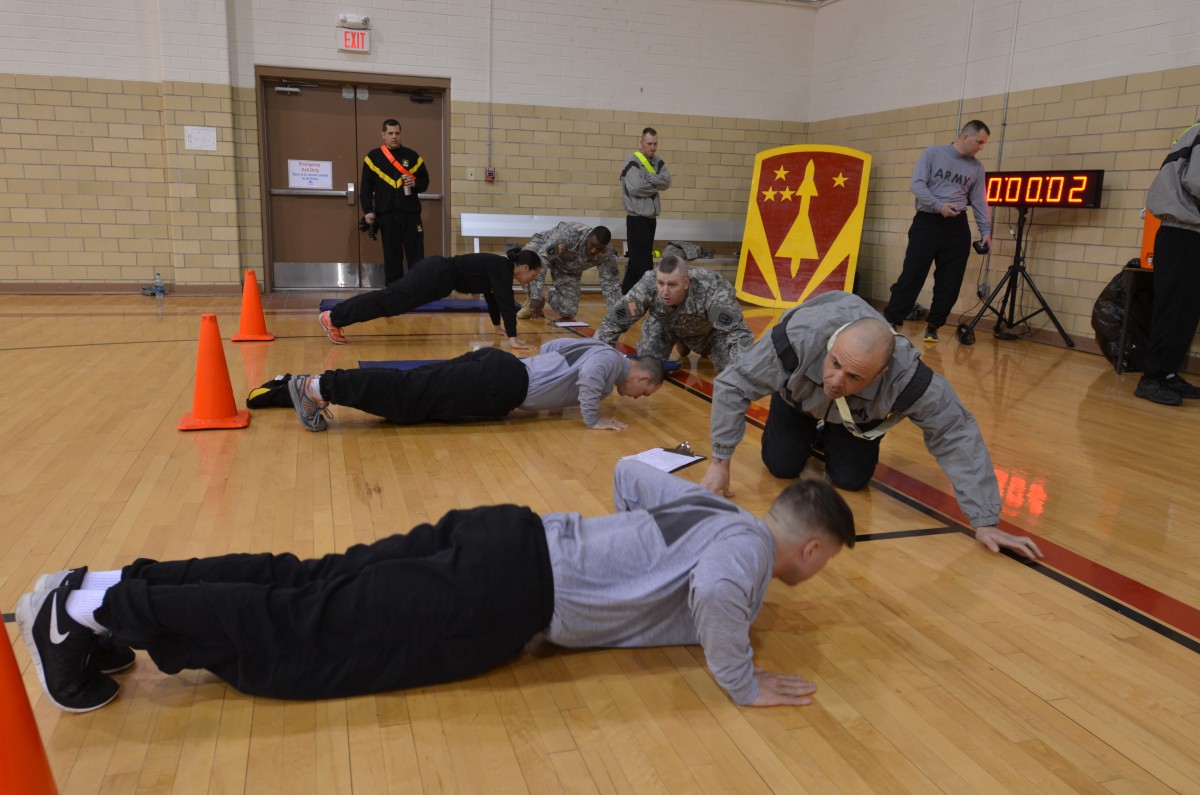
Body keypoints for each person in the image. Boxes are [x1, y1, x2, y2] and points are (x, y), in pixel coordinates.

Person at [15, 459, 855, 713]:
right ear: (812, 550)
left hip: (506, 533)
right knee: (309, 628)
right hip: (503, 590)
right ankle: (86, 608)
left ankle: (98, 592)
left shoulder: (719, 507)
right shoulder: (746, 555)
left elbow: (633, 475)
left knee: (303, 583)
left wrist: (629, 553)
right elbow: (714, 597)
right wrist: (741, 678)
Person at [700, 290, 1043, 560]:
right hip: (798, 401)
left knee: (851, 480)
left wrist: (984, 521)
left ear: (881, 374)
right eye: (834, 364)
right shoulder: (797, 339)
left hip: (857, 418)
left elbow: (956, 432)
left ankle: (832, 434)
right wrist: (720, 460)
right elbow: (733, 385)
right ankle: (806, 426)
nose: (835, 381)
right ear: (832, 346)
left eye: (854, 376)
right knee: (781, 465)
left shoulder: (909, 378)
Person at [283, 337, 664, 432]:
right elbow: (589, 377)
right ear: (642, 378)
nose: (634, 397)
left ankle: (319, 386)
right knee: (410, 397)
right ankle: (317, 387)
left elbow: (554, 348)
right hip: (500, 383)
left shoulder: (601, 347)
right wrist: (593, 420)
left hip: (501, 369)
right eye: (642, 393)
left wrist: (552, 395)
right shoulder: (612, 361)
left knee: (416, 387)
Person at [883, 120, 992, 343]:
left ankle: (934, 325)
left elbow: (980, 201)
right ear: (965, 137)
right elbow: (917, 185)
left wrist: (986, 231)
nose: (981, 147)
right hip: (928, 221)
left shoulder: (977, 168)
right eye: (979, 142)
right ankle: (892, 320)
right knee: (913, 273)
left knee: (950, 280)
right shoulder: (933, 154)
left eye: (984, 144)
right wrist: (939, 206)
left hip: (957, 226)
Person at [317, 250, 541, 347]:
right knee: (387, 300)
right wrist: (513, 338)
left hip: (436, 277)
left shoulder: (500, 269)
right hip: (436, 274)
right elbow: (506, 302)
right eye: (533, 275)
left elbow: (493, 299)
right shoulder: (502, 269)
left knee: (390, 304)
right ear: (524, 267)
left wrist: (496, 327)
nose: (531, 280)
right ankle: (334, 317)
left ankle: (336, 317)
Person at [1134, 122, 1200, 406]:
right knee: (1173, 307)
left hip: (1189, 232)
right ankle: (1152, 378)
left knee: (1187, 309)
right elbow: (1196, 181)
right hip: (1182, 232)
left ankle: (1168, 373)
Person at [595, 255, 753, 370]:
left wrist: (743, 372)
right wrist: (596, 359)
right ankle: (680, 341)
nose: (664, 291)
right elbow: (614, 321)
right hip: (665, 326)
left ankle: (691, 344)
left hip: (707, 332)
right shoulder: (648, 284)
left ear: (686, 283)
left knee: (730, 366)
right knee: (649, 365)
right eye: (661, 283)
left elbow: (738, 332)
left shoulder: (712, 288)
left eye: (672, 285)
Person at [361, 118, 431, 283]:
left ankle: (418, 289)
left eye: (397, 133)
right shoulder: (373, 158)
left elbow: (425, 182)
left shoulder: (413, 157)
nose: (394, 137)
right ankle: (393, 292)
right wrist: (368, 210)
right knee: (392, 256)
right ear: (383, 135)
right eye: (390, 133)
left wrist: (415, 183)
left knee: (416, 254)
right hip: (386, 216)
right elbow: (365, 187)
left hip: (411, 215)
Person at [516, 223, 622, 321]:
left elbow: (611, 286)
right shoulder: (570, 236)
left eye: (599, 249)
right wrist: (536, 296)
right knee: (526, 264)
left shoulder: (607, 254)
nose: (594, 251)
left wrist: (618, 316)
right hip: (543, 247)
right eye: (592, 245)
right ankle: (531, 299)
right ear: (588, 236)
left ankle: (544, 291)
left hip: (567, 268)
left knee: (568, 310)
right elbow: (542, 259)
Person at [621, 127, 672, 293]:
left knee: (639, 260)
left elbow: (666, 182)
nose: (653, 147)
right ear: (641, 142)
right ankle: (646, 294)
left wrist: (650, 179)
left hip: (651, 220)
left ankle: (627, 294)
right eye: (649, 143)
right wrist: (656, 185)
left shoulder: (658, 162)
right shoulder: (632, 160)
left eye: (655, 144)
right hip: (637, 219)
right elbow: (636, 187)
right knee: (642, 262)